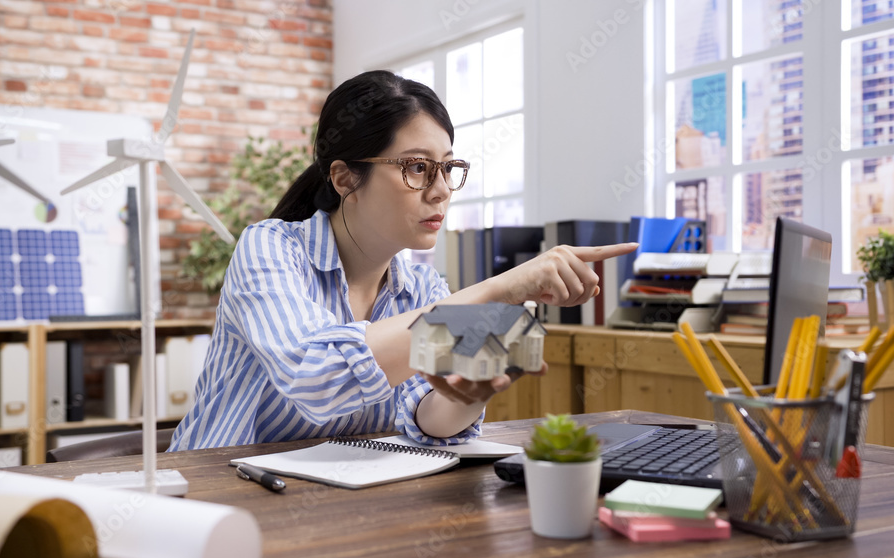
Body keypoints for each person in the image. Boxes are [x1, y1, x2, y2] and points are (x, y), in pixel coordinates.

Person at [168, 70, 636, 450]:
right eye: (417, 167)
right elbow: (318, 378)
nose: (440, 190)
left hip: (338, 504)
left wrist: (465, 398)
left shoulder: (423, 289)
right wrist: (496, 290)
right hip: (217, 496)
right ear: (345, 178)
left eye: (449, 168)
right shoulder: (268, 249)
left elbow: (425, 413)